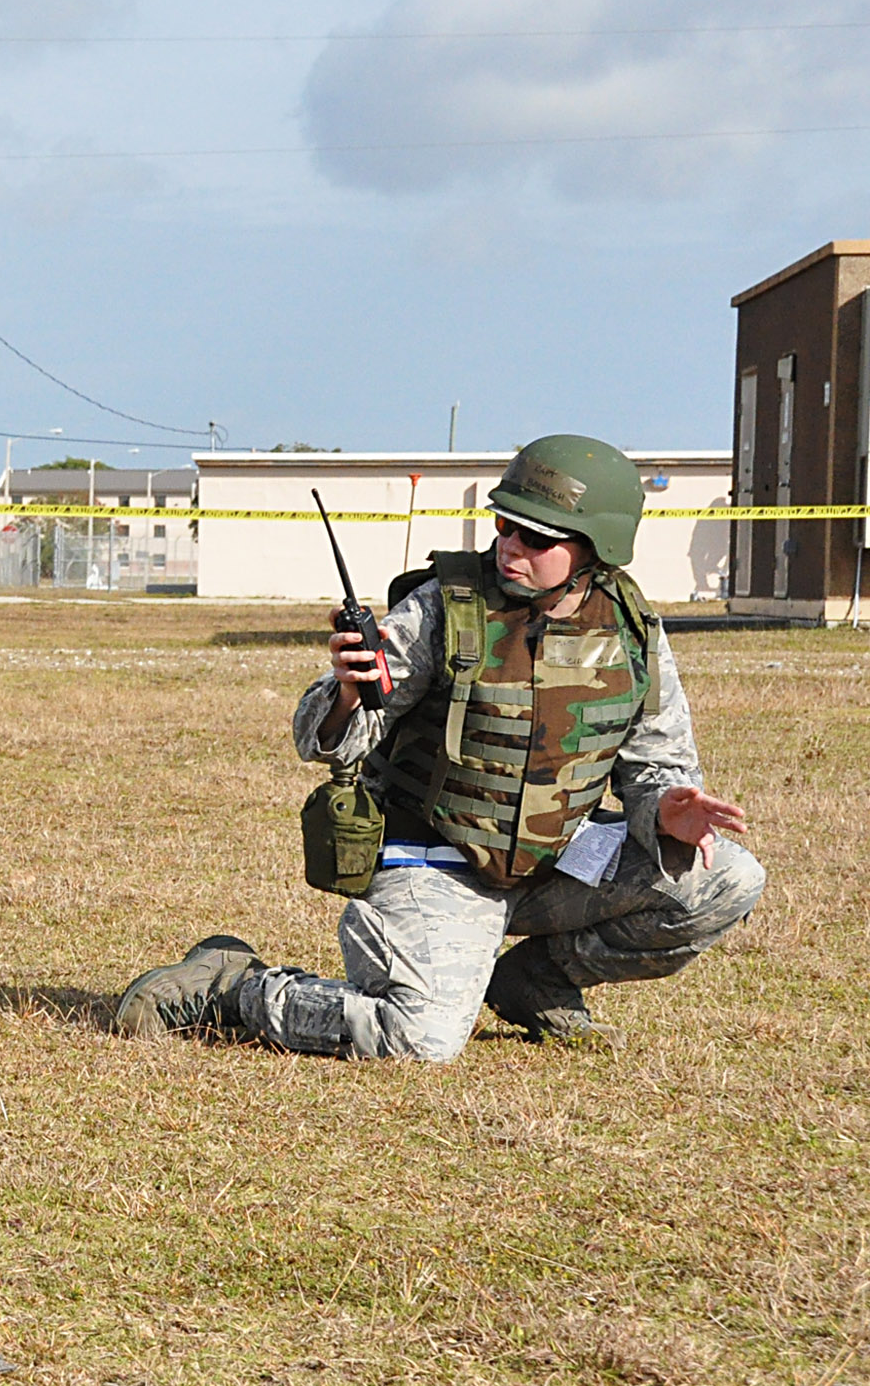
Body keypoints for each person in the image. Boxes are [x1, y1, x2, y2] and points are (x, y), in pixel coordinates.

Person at [116, 434, 761, 1060]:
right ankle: (232, 988)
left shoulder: (632, 630)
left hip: (558, 859)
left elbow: (659, 766)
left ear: (597, 548)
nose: (511, 545)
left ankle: (533, 981)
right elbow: (323, 738)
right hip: (434, 856)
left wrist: (665, 809)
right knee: (418, 1038)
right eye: (504, 525)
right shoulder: (446, 608)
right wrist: (347, 692)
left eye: (536, 536)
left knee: (729, 877)